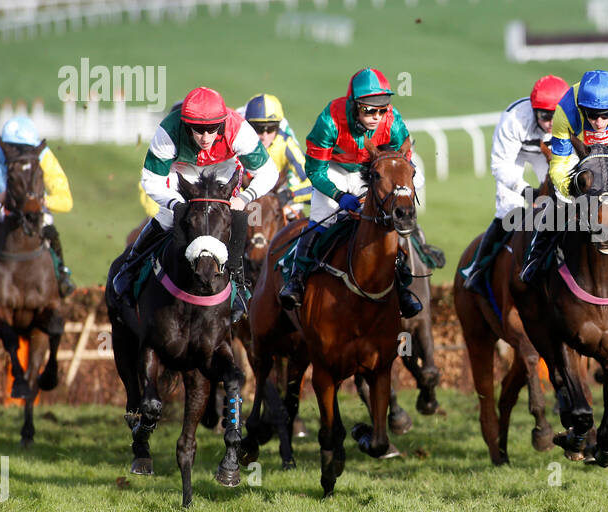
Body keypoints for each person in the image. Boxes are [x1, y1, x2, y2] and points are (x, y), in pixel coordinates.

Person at [112, 86, 276, 322]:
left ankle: (238, 284)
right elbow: (150, 179)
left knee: (233, 215)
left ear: (223, 123)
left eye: (212, 129)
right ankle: (130, 268)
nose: (206, 137)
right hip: (184, 169)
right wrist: (175, 204)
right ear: (185, 124)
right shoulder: (168, 131)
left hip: (223, 169)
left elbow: (268, 172)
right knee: (170, 216)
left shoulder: (239, 130)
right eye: (198, 130)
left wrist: (244, 198)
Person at [277, 67, 425, 317]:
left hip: (369, 170)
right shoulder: (330, 120)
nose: (377, 116)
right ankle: (297, 279)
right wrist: (337, 196)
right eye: (369, 110)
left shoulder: (392, 120)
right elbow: (314, 170)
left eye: (381, 109)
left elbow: (402, 161)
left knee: (390, 220)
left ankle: (402, 287)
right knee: (321, 218)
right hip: (332, 169)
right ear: (355, 105)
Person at [518, 69, 608, 293]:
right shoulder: (565, 111)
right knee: (560, 202)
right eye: (592, 115)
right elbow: (559, 165)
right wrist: (573, 189)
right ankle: (535, 259)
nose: (598, 122)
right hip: (579, 150)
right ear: (581, 109)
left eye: (605, 115)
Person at [461, 73, 567, 295]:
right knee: (509, 210)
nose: (550, 124)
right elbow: (500, 166)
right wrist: (528, 192)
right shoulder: (514, 119)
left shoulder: (568, 120)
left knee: (563, 202)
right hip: (514, 154)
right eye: (544, 117)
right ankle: (477, 269)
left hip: (546, 153)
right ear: (534, 110)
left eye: (554, 117)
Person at [0, 113, 75, 298]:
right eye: (14, 148)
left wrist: (42, 201)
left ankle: (62, 274)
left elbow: (65, 200)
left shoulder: (44, 155)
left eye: (25, 149)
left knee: (48, 227)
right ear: (3, 145)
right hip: (0, 205)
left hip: (33, 207)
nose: (20, 154)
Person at [241, 93, 312, 219]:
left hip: (276, 202)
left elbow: (313, 182)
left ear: (278, 127)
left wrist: (290, 194)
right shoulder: (237, 143)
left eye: (271, 129)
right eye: (258, 129)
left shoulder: (285, 144)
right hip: (245, 203)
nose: (264, 136)